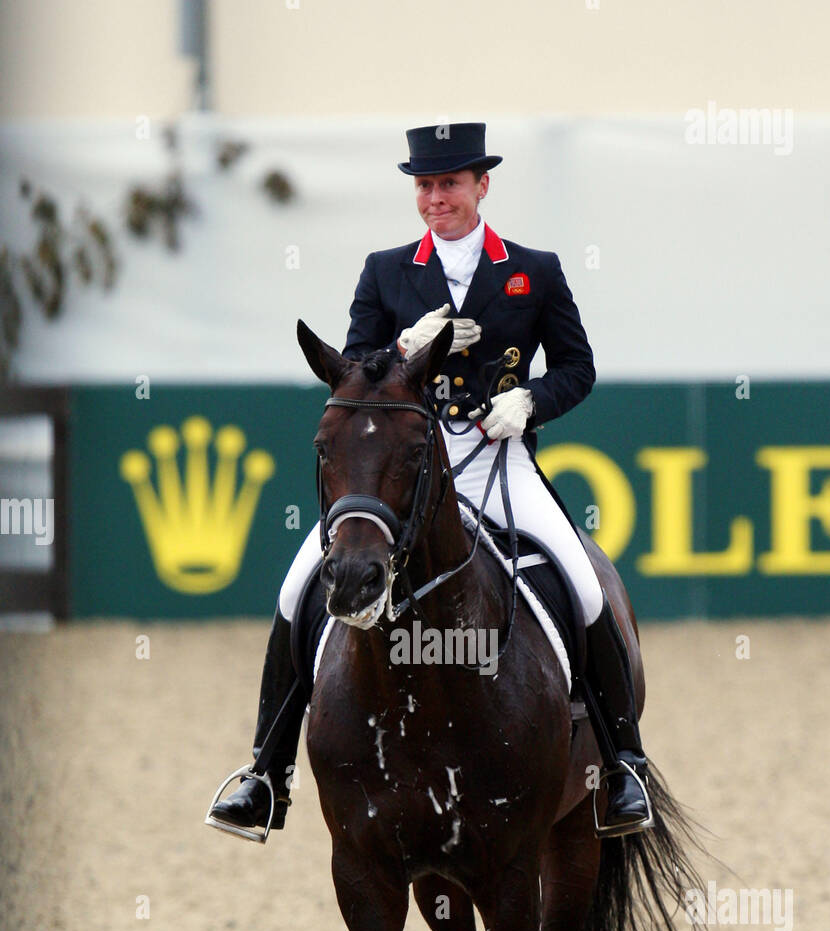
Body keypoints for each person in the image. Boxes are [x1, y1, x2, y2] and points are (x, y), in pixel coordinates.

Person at [208, 122, 651, 839]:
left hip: (493, 454)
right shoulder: (386, 269)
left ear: (481, 185)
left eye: (447, 183)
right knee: (297, 591)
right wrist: (401, 347)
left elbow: (578, 367)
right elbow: (353, 367)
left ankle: (625, 765)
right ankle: (265, 773)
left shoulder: (532, 269)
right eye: (423, 185)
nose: (434, 197)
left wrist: (530, 401)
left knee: (583, 584)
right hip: (403, 463)